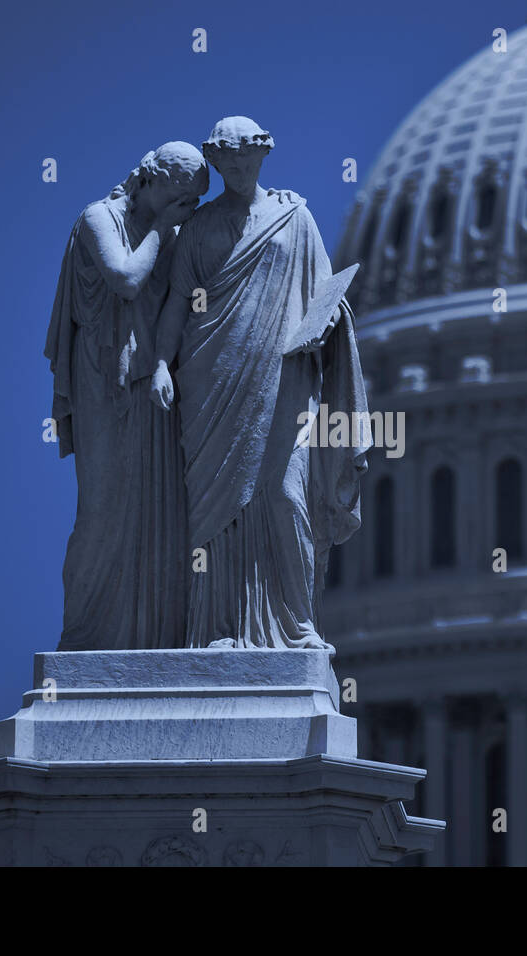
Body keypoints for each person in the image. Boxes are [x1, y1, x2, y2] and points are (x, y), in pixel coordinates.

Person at [151, 117, 370, 650]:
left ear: (263, 157)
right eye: (228, 161)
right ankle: (219, 628)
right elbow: (179, 302)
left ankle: (295, 625)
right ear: (217, 163)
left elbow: (326, 294)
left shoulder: (295, 218)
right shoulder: (200, 229)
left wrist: (329, 323)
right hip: (210, 381)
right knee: (213, 512)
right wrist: (159, 363)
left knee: (284, 494)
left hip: (284, 379)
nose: (239, 168)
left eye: (248, 158)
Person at [44, 142, 208, 650]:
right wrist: (163, 230)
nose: (186, 211)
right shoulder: (98, 218)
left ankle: (156, 637)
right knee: (105, 506)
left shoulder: (173, 233)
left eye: (193, 203)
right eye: (180, 198)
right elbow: (125, 279)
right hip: (104, 378)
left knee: (159, 512)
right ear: (152, 181)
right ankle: (87, 637)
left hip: (154, 384)